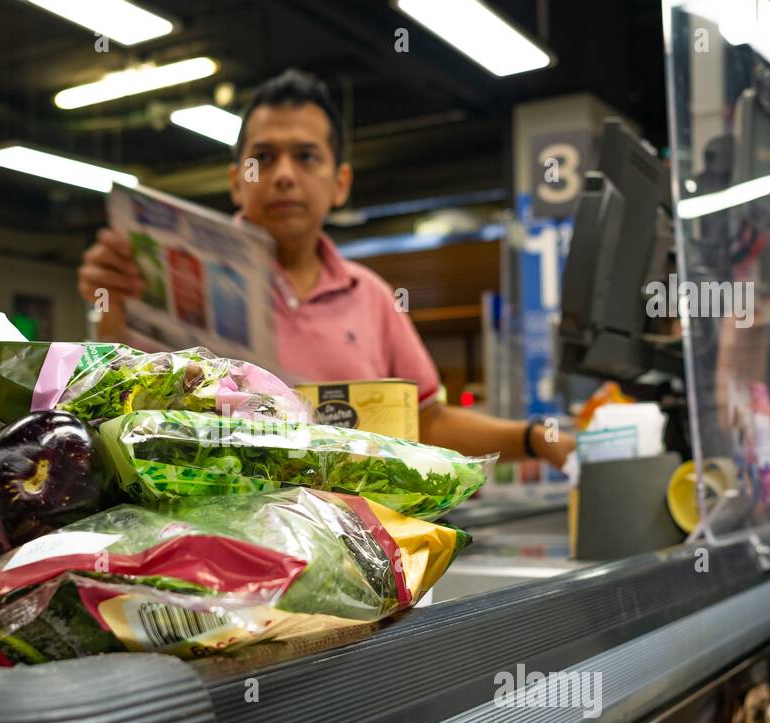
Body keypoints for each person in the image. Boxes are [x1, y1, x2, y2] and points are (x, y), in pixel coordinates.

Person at [78, 69, 574, 468]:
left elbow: (427, 421)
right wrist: (111, 309)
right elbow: (120, 408)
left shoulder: (374, 297)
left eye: (306, 157)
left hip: (361, 557)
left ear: (340, 183)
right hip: (219, 560)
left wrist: (535, 438)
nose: (284, 176)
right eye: (263, 158)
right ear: (236, 180)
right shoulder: (159, 279)